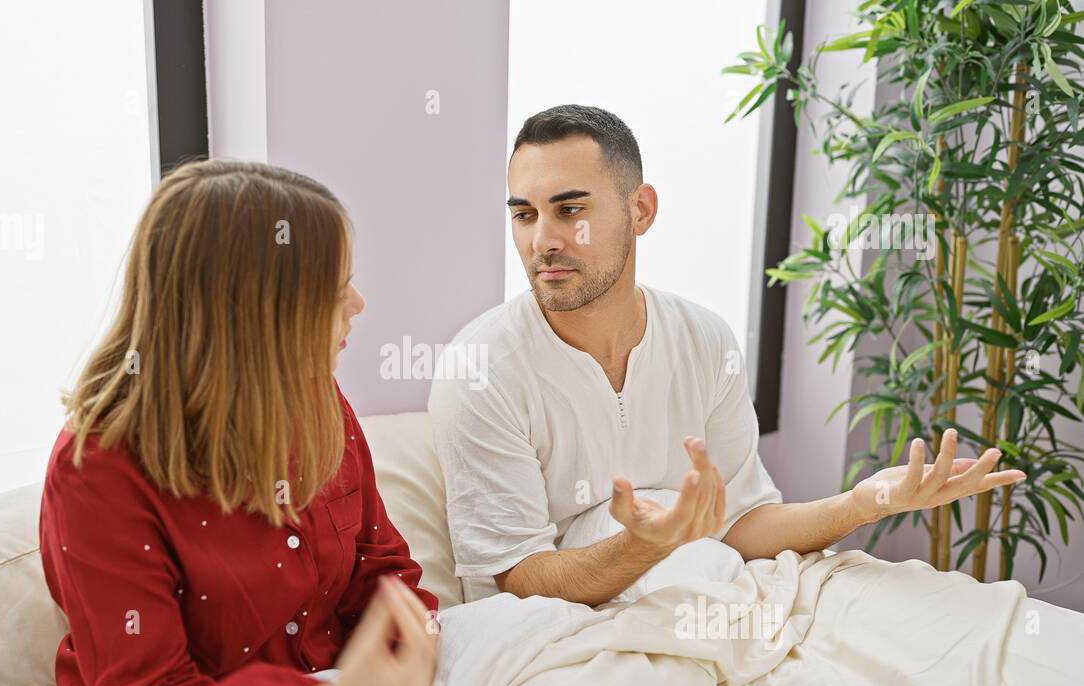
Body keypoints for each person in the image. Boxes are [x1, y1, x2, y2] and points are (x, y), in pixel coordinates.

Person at [428, 104, 1025, 606]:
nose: (543, 241)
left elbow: (741, 526)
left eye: (571, 209)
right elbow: (519, 577)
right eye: (524, 215)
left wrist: (863, 503)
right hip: (557, 639)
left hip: (705, 595)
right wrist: (648, 543)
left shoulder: (705, 340)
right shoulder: (480, 369)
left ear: (641, 210)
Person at [39, 159, 440, 686]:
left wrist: (407, 680)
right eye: (334, 289)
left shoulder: (316, 396)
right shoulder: (97, 470)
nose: (359, 304)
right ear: (253, 315)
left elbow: (384, 572)